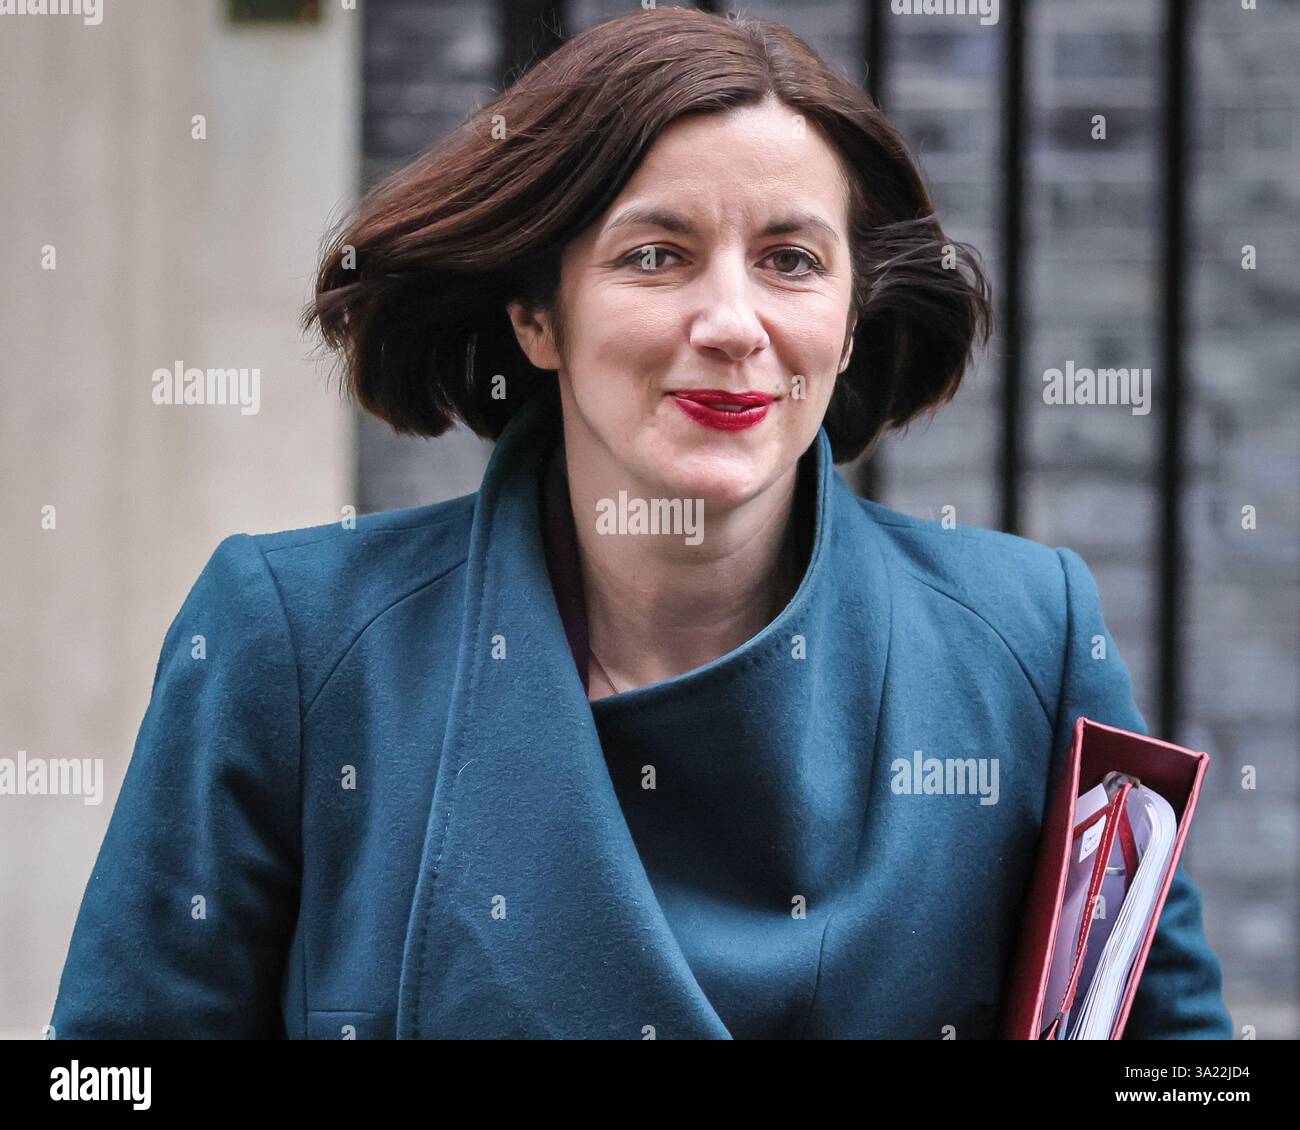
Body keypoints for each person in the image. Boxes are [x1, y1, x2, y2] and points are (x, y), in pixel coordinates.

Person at [48, 6, 1231, 1039]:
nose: (732, 322)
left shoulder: (1024, 639)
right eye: (656, 255)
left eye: (791, 260)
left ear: (850, 321)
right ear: (537, 315)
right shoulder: (293, 642)